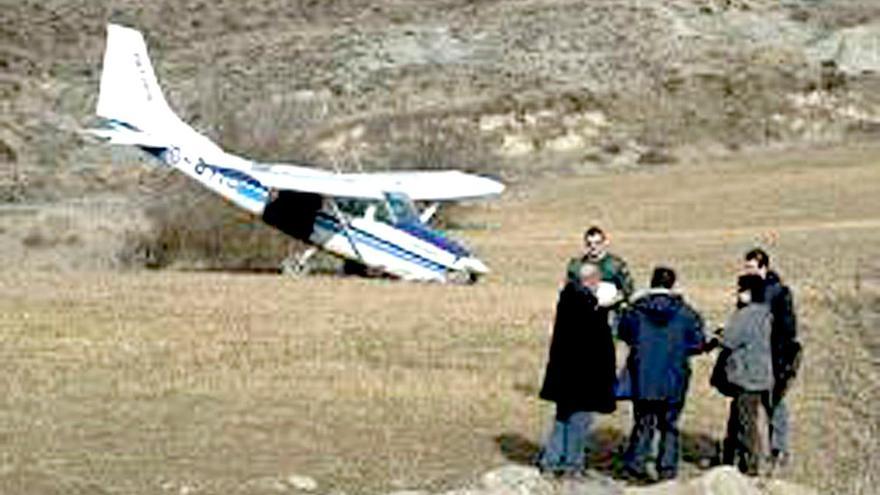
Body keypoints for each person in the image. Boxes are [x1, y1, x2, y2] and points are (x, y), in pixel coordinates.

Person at [617, 267, 709, 481]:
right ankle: (667, 470)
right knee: (670, 426)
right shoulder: (687, 313)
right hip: (674, 377)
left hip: (643, 376)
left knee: (643, 423)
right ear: (672, 284)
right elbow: (697, 344)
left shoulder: (635, 310)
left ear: (652, 282)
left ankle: (636, 468)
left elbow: (623, 333)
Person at [536, 262, 617, 476]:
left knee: (562, 419)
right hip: (584, 377)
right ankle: (572, 465)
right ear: (591, 280)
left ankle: (551, 462)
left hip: (563, 375)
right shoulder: (587, 306)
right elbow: (597, 343)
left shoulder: (567, 299)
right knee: (579, 422)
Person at [742, 248, 800, 466]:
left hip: (774, 355)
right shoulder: (747, 288)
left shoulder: (779, 292)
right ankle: (750, 451)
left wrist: (780, 358)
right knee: (750, 404)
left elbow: (787, 327)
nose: (747, 270)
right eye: (746, 266)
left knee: (774, 401)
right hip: (753, 355)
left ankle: (779, 449)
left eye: (751, 267)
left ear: (763, 267)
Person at [718, 274, 775, 475]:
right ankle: (731, 463)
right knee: (740, 422)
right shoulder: (766, 313)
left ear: (749, 293)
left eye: (741, 290)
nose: (738, 293)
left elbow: (729, 341)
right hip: (761, 376)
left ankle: (749, 470)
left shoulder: (746, 315)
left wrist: (721, 332)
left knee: (746, 426)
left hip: (746, 378)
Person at [565, 226, 634, 303]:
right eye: (589, 244)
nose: (593, 247)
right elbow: (568, 292)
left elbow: (628, 290)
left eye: (597, 243)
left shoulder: (616, 265)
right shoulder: (576, 266)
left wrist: (613, 300)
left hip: (612, 310)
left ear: (605, 243)